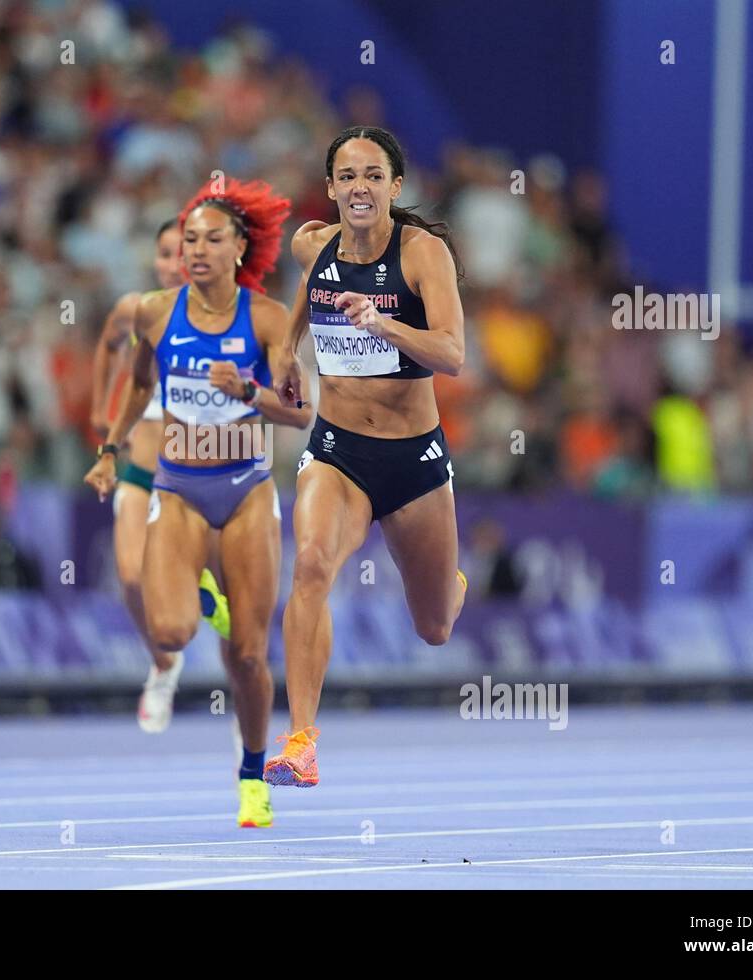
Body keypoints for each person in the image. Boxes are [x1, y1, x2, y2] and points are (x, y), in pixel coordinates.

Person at [85, 179, 312, 827]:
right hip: (178, 486)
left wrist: (248, 390)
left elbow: (299, 415)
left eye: (213, 239)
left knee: (246, 655)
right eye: (189, 240)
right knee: (169, 631)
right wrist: (110, 447)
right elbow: (137, 383)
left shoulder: (266, 319)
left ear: (241, 247)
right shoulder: (156, 312)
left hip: (246, 493)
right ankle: (205, 598)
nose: (198, 250)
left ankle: (251, 774)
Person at [265, 126, 468, 787]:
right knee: (311, 568)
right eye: (347, 176)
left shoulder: (422, 254)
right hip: (338, 450)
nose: (360, 187)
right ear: (330, 189)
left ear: (394, 187)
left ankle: (450, 584)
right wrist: (289, 351)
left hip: (412, 462)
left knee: (435, 626)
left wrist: (382, 322)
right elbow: (310, 291)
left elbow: (453, 354)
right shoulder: (312, 243)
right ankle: (300, 741)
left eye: (373, 175)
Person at [90, 220, 231, 733]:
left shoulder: (219, 313)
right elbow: (107, 344)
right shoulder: (136, 309)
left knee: (225, 588)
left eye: (185, 251)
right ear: (156, 260)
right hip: (140, 468)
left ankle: (248, 718)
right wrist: (99, 412)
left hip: (196, 476)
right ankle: (165, 665)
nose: (176, 262)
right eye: (167, 253)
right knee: (130, 577)